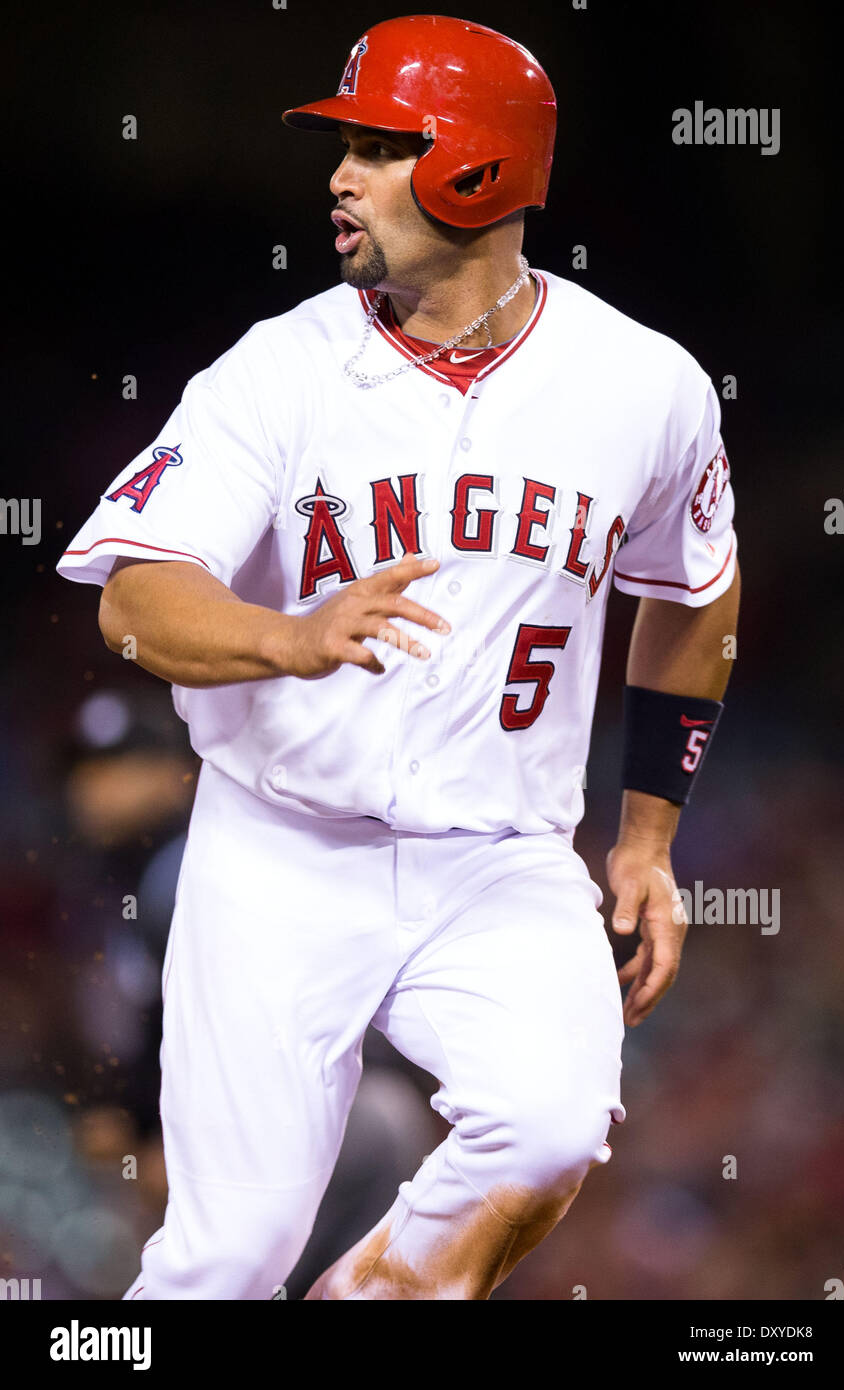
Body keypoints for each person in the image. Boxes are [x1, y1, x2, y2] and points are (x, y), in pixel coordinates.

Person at [56, 14, 740, 1300]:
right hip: (279, 850)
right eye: (346, 150)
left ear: (473, 170)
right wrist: (288, 635)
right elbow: (131, 603)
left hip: (499, 853)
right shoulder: (278, 373)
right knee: (226, 1258)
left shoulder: (643, 385)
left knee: (543, 1125)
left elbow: (697, 596)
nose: (339, 176)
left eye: (377, 148)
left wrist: (645, 838)